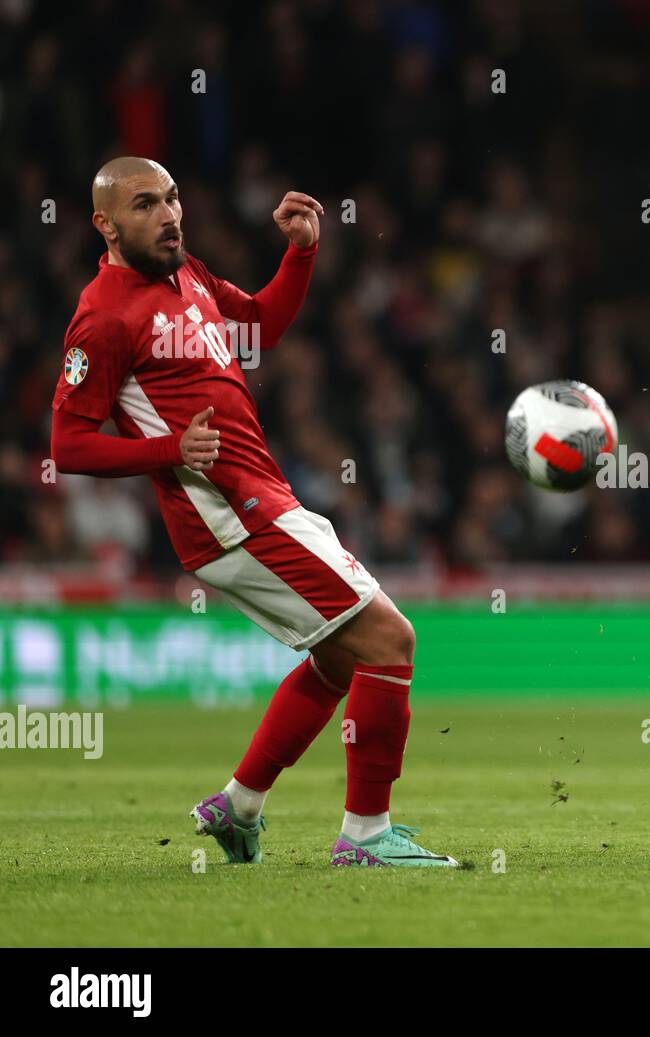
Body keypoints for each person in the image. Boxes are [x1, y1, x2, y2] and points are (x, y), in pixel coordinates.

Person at [51, 156, 459, 868]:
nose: (170, 214)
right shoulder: (103, 315)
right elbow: (68, 443)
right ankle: (365, 835)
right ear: (106, 224)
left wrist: (301, 253)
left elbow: (261, 325)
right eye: (146, 204)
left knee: (338, 659)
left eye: (174, 197)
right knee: (391, 639)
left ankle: (237, 808)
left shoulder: (190, 276)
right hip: (227, 514)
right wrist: (170, 448)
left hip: (261, 497)